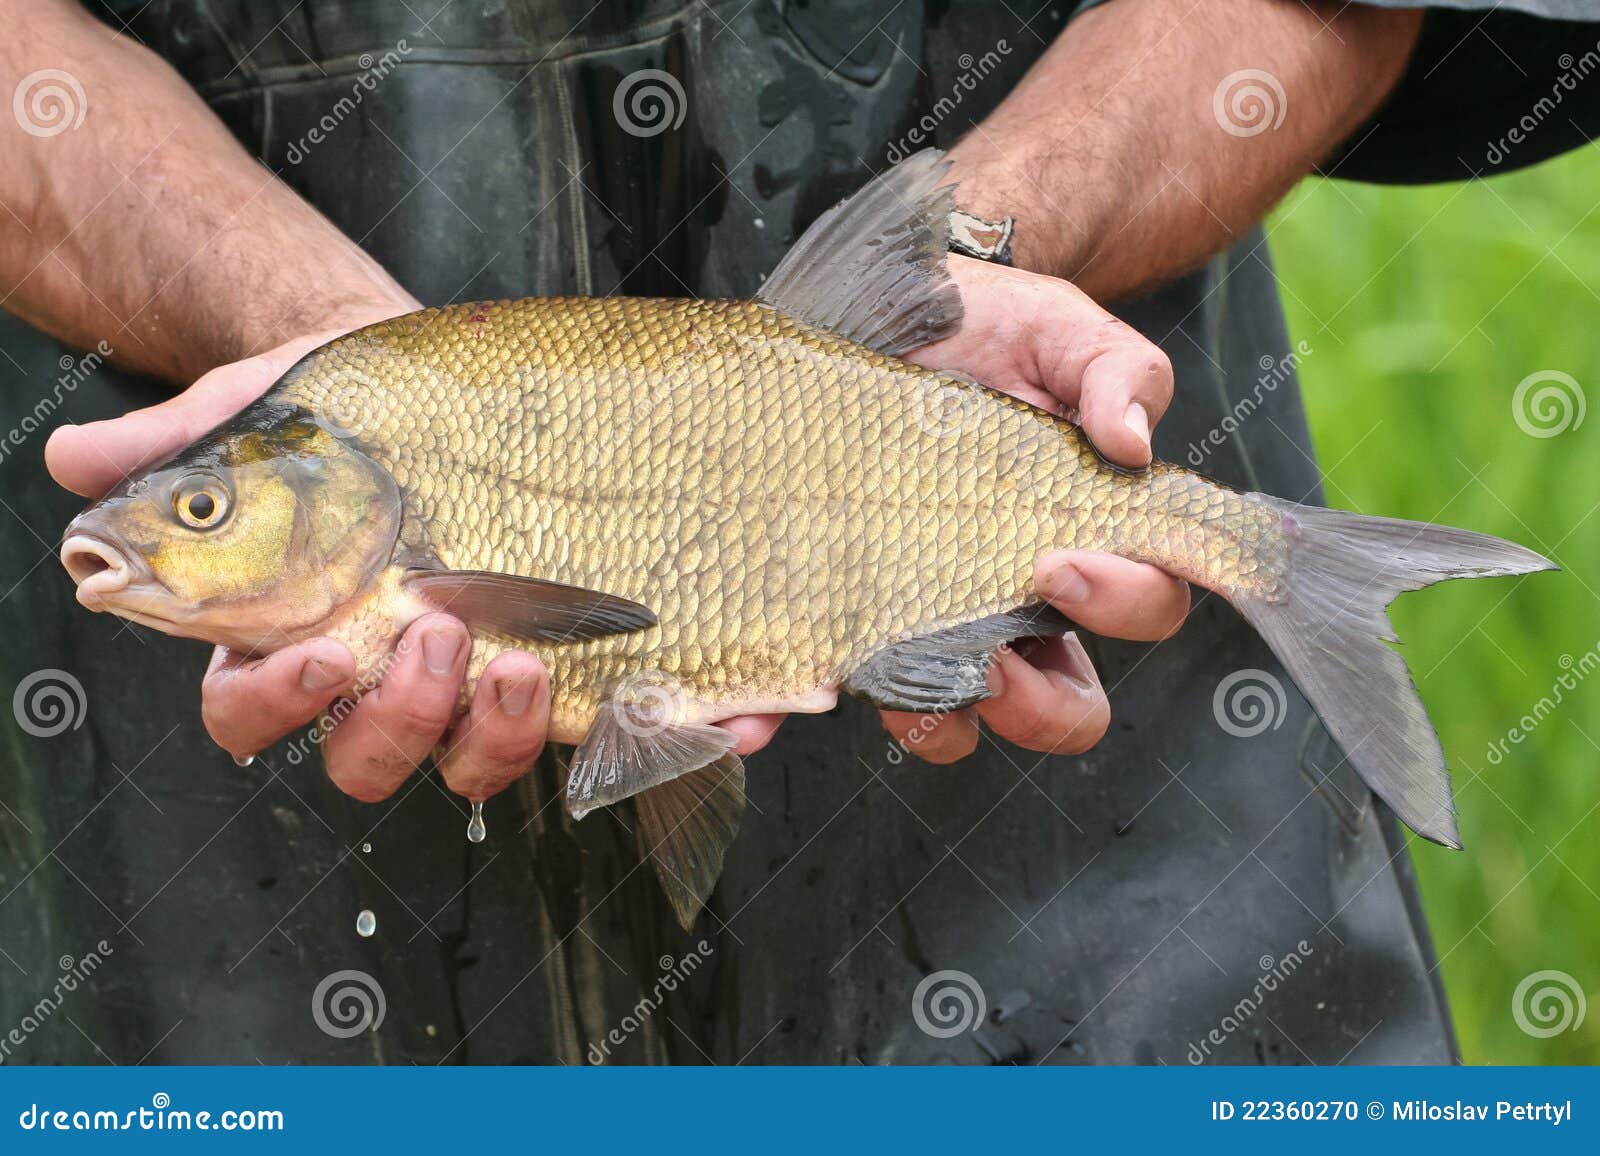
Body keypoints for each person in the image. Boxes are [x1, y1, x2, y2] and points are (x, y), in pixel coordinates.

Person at [1, 0, 1594, 1064]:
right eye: (201, 506)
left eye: (203, 506)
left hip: (1087, 903)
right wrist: (312, 325)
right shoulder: (362, 435)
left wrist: (984, 246)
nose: (169, 523)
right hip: (241, 945)